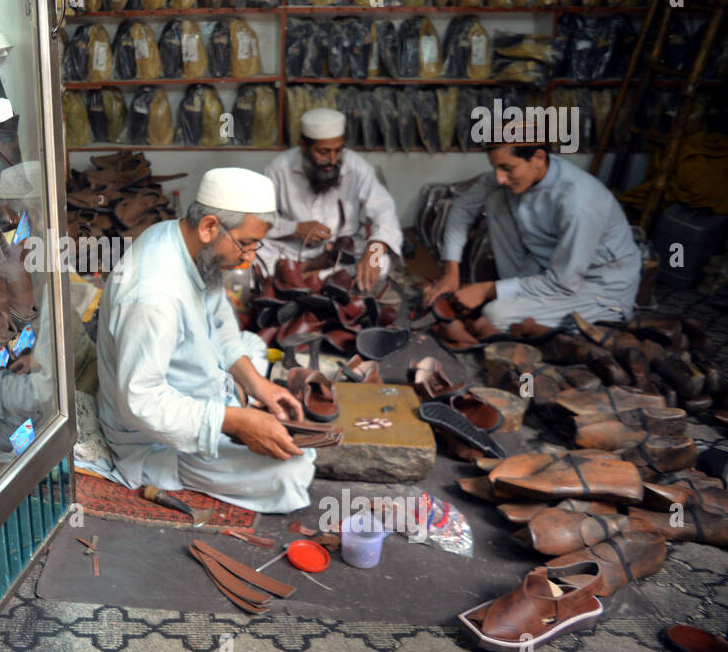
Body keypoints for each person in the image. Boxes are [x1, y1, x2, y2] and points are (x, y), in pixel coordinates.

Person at [96, 167, 316, 513]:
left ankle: (243, 403)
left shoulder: (183, 239)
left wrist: (258, 386)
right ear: (210, 226)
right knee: (291, 474)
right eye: (245, 244)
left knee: (253, 348)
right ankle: (228, 427)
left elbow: (220, 320)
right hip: (157, 439)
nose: (248, 258)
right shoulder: (151, 297)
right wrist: (236, 421)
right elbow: (141, 404)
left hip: (202, 390)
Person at [422, 133, 642, 328]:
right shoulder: (513, 173)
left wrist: (487, 290)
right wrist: (451, 272)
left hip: (595, 287)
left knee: (494, 315)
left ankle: (509, 298)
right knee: (496, 195)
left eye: (507, 168)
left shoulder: (578, 203)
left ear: (538, 158)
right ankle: (512, 291)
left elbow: (563, 283)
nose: (499, 177)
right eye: (496, 168)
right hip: (545, 269)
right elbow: (462, 209)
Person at [258, 107, 403, 292]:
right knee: (254, 258)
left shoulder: (357, 167)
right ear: (303, 146)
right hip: (291, 249)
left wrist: (374, 252)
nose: (333, 160)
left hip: (344, 251)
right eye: (324, 152)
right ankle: (318, 275)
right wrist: (295, 229)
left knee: (381, 263)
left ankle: (298, 279)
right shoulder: (278, 169)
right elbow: (260, 219)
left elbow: (384, 211)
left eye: (338, 151)